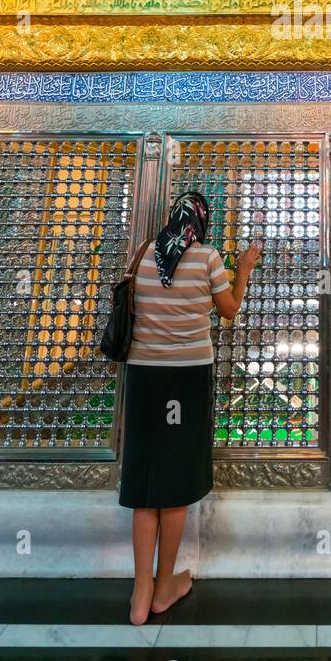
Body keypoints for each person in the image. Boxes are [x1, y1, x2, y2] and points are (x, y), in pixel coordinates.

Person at [119, 190, 261, 624]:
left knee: (146, 487)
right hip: (186, 379)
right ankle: (166, 587)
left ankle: (139, 595)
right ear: (200, 222)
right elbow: (229, 311)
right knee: (175, 486)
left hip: (144, 378)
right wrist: (246, 269)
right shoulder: (206, 258)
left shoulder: (143, 253)